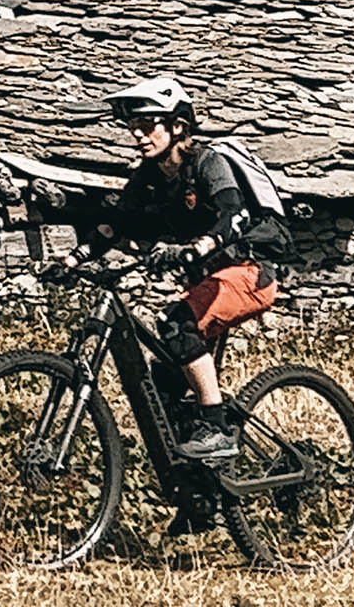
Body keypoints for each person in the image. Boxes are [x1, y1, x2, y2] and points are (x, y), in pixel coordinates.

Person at [94, 76, 291, 462]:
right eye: (133, 127)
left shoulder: (207, 163)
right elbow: (115, 225)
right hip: (210, 279)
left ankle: (217, 429)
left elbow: (234, 214)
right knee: (165, 381)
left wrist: (200, 245)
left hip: (250, 271)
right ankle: (197, 478)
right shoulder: (149, 176)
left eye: (147, 126)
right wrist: (72, 259)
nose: (138, 135)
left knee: (176, 323)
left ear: (178, 126)